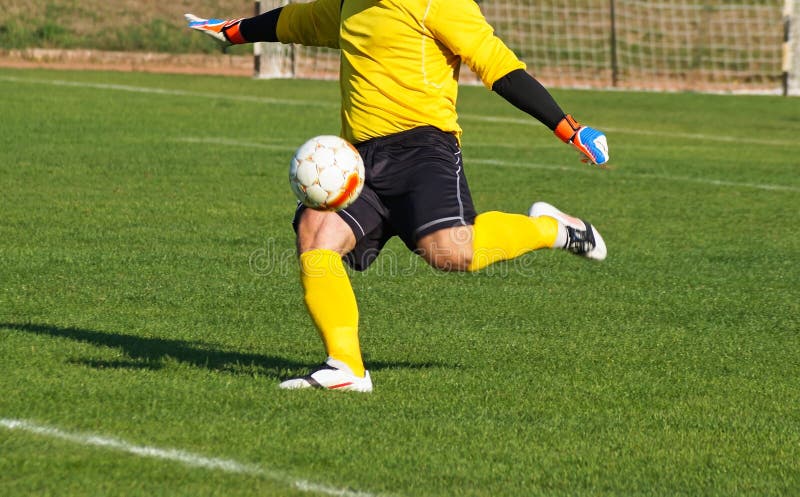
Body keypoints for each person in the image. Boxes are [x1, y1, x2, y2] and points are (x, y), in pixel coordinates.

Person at [185, 0, 610, 393]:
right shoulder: (350, 4)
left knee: (450, 253)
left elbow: (498, 66)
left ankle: (554, 229)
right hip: (358, 160)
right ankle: (346, 367)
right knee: (315, 234)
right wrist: (233, 32)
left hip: (424, 149)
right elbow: (295, 21)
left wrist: (568, 128)